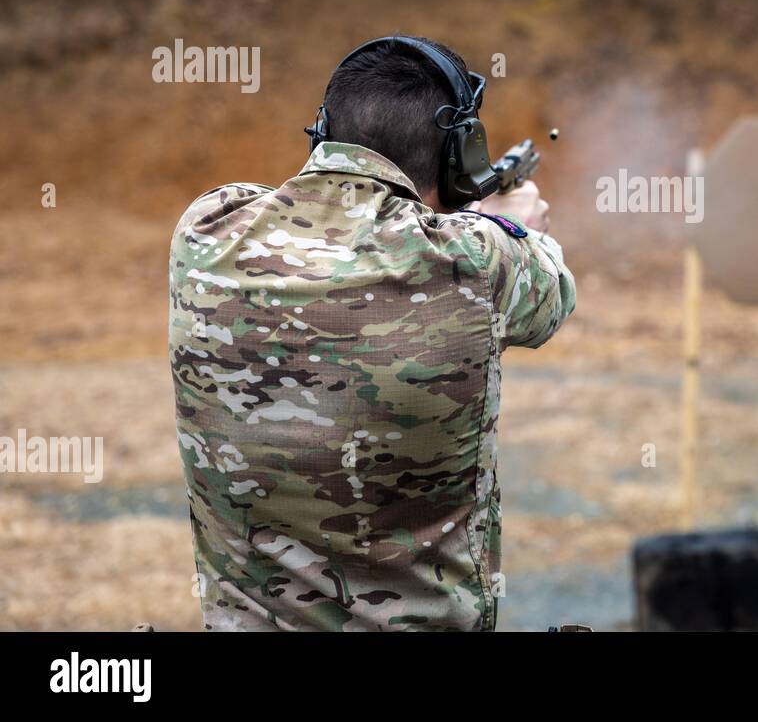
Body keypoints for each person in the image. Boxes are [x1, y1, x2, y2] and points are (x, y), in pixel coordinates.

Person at [168, 36, 575, 630]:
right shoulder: (478, 260)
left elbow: (328, 228)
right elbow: (553, 293)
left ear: (322, 133)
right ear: (459, 155)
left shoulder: (206, 232)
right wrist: (513, 222)